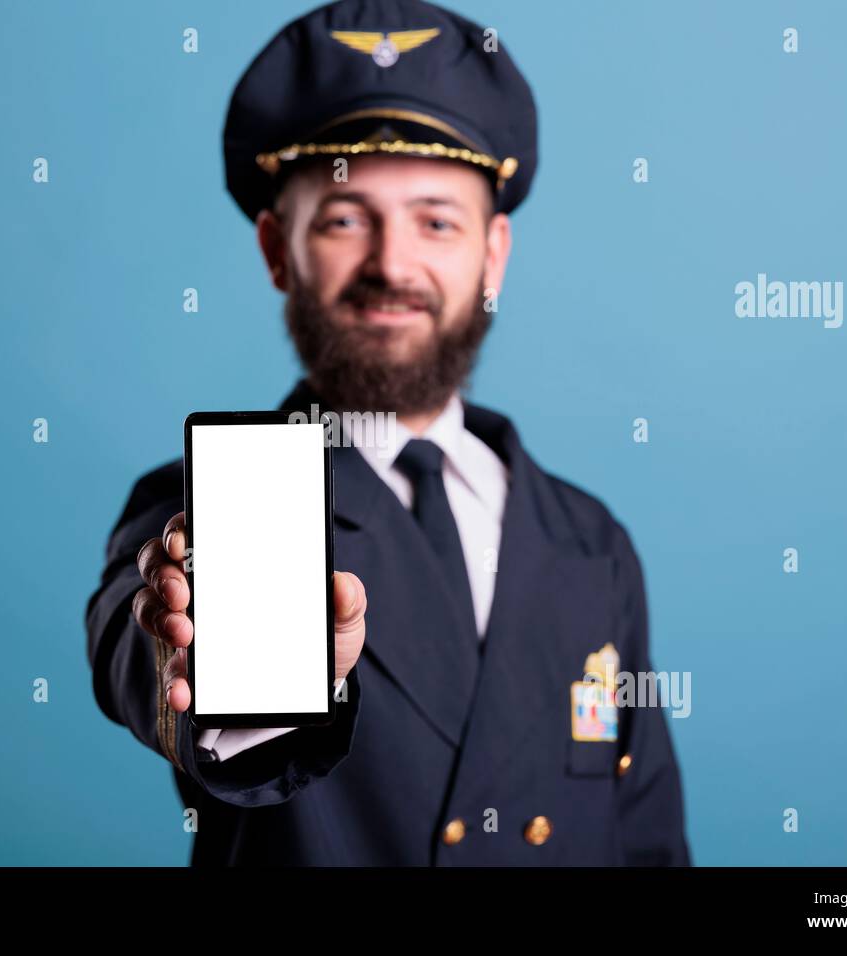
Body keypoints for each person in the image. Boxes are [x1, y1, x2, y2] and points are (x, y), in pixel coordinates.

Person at [85, 0, 690, 865]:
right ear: (276, 250)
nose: (393, 265)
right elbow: (144, 663)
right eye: (343, 218)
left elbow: (649, 846)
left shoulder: (592, 544)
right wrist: (192, 664)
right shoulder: (196, 510)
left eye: (437, 220)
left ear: (493, 253)